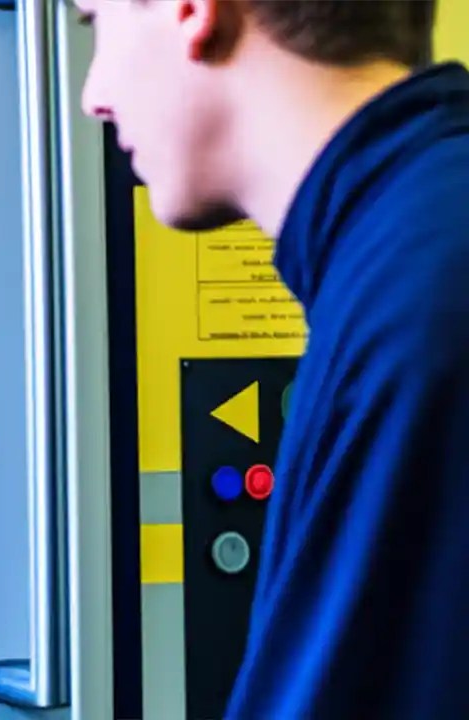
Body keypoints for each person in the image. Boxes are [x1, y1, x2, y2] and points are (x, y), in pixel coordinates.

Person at [72, 0, 469, 717]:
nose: (93, 94)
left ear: (188, 10)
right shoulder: (402, 244)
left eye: (94, 21)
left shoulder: (418, 300)